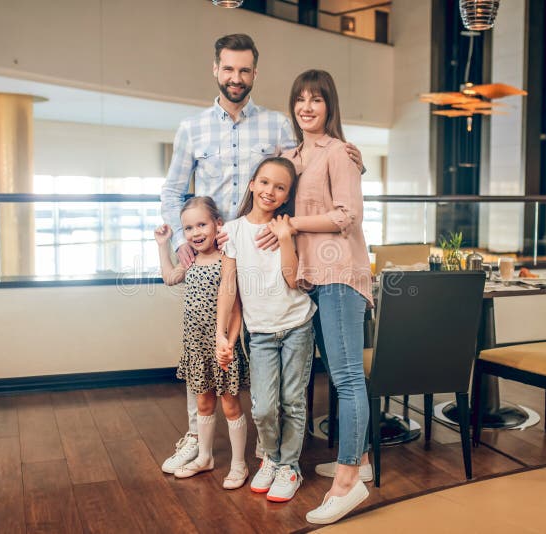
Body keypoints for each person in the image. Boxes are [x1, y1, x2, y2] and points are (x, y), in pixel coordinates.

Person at [159, 33, 363, 474]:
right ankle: (198, 440)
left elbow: (303, 168)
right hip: (211, 259)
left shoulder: (276, 126)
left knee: (259, 345)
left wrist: (353, 158)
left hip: (266, 254)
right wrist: (180, 241)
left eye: (244, 70)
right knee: (205, 347)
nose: (236, 77)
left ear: (255, 73)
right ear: (216, 69)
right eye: (228, 69)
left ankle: (267, 451)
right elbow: (173, 191)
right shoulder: (192, 128)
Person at [258, 70, 373, 524]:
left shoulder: (339, 153)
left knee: (347, 378)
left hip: (340, 273)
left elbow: (347, 215)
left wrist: (291, 226)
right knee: (339, 375)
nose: (307, 107)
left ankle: (347, 481)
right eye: (300, 99)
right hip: (311, 277)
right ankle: (361, 460)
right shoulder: (290, 158)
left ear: (329, 106)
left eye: (316, 99)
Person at [216, 156, 316, 503]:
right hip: (259, 333)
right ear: (252, 185)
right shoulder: (233, 231)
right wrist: (221, 334)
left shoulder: (289, 227)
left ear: (287, 195)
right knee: (262, 407)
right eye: (264, 182)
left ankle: (289, 467)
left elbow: (294, 280)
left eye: (280, 187)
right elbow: (228, 285)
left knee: (292, 401)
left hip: (297, 325)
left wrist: (285, 237)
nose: (270, 191)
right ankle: (270, 458)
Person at [154, 197, 250, 490]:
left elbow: (237, 310)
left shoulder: (227, 260)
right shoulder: (191, 260)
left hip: (222, 348)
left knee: (230, 405)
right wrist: (163, 245)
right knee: (203, 404)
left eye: (201, 225)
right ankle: (205, 457)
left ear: (218, 224)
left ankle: (239, 464)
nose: (195, 233)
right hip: (196, 348)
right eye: (188, 228)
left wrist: (229, 344)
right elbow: (169, 277)